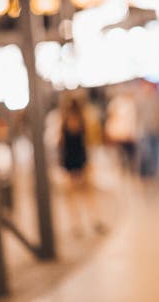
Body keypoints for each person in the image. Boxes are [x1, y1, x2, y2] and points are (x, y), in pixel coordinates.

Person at [59, 96, 106, 235]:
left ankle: (82, 222)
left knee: (77, 193)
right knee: (82, 193)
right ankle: (88, 221)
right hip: (77, 159)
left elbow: (61, 143)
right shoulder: (81, 120)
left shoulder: (66, 121)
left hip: (74, 159)